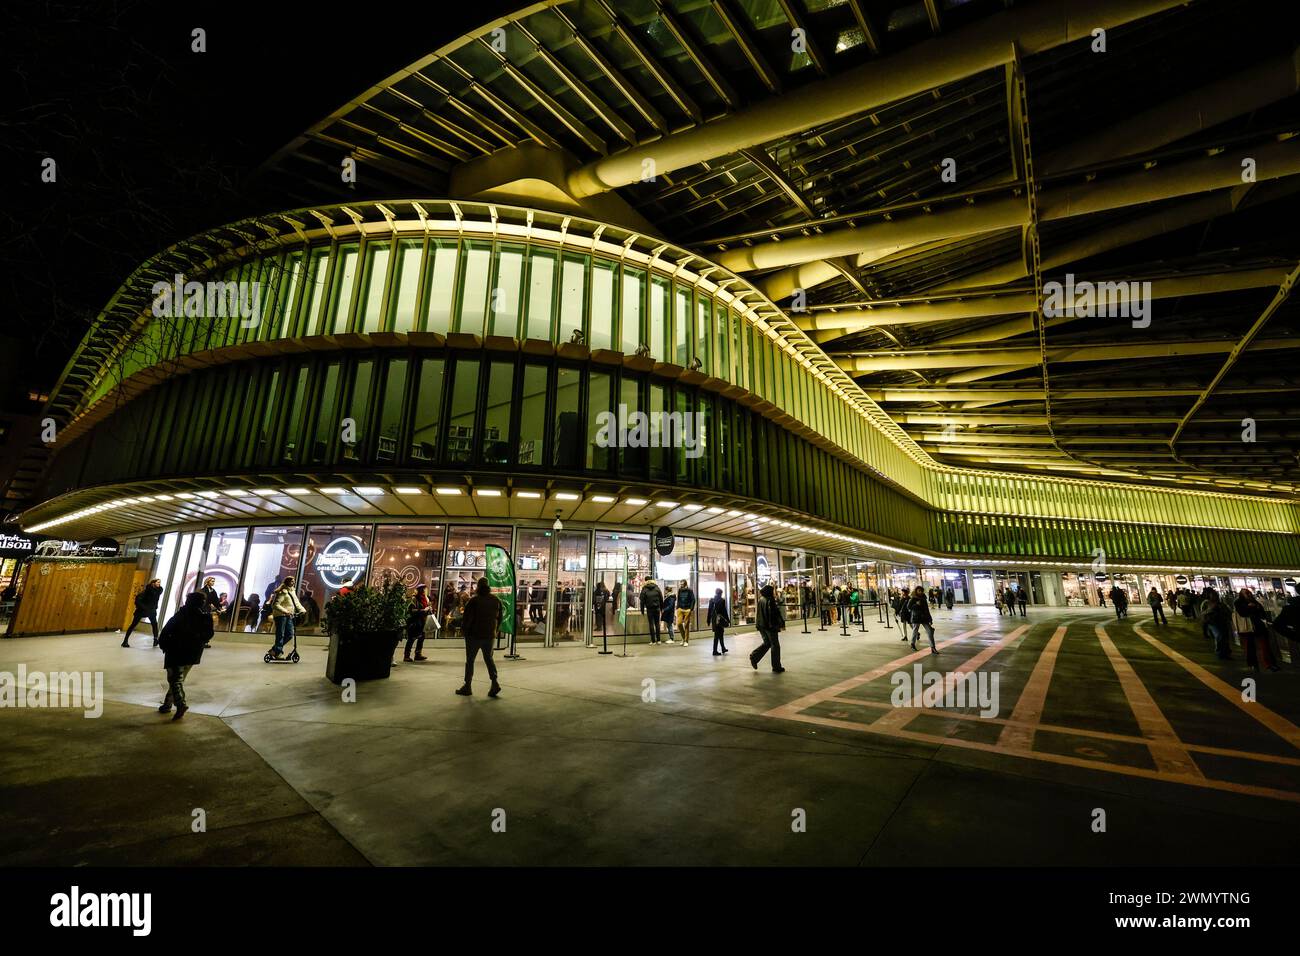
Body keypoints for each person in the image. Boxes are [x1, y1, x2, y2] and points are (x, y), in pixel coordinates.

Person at [156, 592, 213, 721]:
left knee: (175, 679)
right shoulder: (205, 617)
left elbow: (167, 629)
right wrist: (198, 641)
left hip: (176, 650)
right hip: (193, 653)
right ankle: (167, 704)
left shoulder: (182, 614)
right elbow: (209, 634)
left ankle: (180, 704)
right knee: (178, 679)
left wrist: (164, 644)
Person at [456, 577, 502, 697]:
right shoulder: (496, 600)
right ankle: (495, 682)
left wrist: (465, 630)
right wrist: (495, 630)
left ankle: (468, 685)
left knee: (470, 660)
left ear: (478, 586)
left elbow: (468, 618)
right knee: (489, 659)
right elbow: (499, 618)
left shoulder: (474, 600)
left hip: (474, 635)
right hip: (489, 635)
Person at [1233, 588, 1279, 672]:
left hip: (1258, 626)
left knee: (1264, 645)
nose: (1249, 594)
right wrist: (1251, 607)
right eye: (1246, 593)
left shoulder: (1255, 601)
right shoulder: (1238, 602)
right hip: (1248, 628)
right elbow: (1243, 613)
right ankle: (1254, 664)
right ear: (1241, 595)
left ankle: (1268, 664)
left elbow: (1261, 612)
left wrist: (1253, 607)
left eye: (1249, 592)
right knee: (1250, 647)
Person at [267, 576, 306, 660]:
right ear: (287, 582)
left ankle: (274, 650)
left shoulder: (292, 591)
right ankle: (277, 652)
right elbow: (275, 605)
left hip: (289, 615)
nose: (293, 583)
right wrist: (285, 611)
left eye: (294, 581)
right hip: (280, 615)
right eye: (292, 581)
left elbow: (296, 602)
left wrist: (302, 610)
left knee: (289, 634)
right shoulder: (282, 592)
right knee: (280, 634)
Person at [750, 583, 785, 672]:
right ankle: (776, 666)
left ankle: (754, 656)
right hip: (770, 626)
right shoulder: (770, 600)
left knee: (767, 643)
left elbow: (759, 613)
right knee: (775, 646)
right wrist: (778, 624)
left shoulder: (761, 599)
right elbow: (773, 614)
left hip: (762, 625)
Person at [122, 578, 163, 647]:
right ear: (153, 583)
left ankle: (155, 640)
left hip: (151, 611)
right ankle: (125, 641)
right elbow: (137, 601)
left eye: (160, 583)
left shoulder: (157, 592)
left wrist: (153, 608)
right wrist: (145, 608)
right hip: (142, 611)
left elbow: (158, 593)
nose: (159, 584)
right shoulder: (145, 592)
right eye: (158, 582)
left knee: (154, 625)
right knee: (133, 625)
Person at [403, 584, 432, 662]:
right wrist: (423, 610)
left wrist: (429, 609)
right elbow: (412, 610)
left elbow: (426, 608)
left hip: (423, 621)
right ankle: (406, 656)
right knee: (411, 638)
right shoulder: (414, 599)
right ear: (421, 590)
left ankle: (418, 654)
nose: (426, 590)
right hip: (415, 621)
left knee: (421, 638)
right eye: (425, 589)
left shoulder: (426, 599)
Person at [907, 585, 937, 655]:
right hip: (916, 617)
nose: (920, 592)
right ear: (916, 591)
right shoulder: (913, 598)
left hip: (924, 617)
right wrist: (916, 604)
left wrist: (930, 619)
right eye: (919, 591)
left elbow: (926, 609)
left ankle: (933, 647)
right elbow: (909, 607)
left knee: (930, 631)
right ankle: (912, 644)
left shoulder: (924, 598)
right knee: (915, 630)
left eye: (921, 591)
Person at [1202, 589, 1233, 659]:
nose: (1215, 597)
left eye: (1216, 595)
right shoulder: (1206, 603)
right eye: (1213, 596)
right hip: (1213, 623)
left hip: (1222, 622)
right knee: (1219, 636)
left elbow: (1228, 612)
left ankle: (1226, 652)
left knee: (1225, 637)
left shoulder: (1221, 604)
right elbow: (1203, 613)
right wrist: (1211, 609)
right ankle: (1219, 652)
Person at [707, 587, 730, 656]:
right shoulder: (722, 600)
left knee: (719, 634)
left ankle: (723, 648)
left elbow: (709, 611)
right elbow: (724, 611)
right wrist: (727, 619)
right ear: (720, 593)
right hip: (720, 619)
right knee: (718, 635)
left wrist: (708, 620)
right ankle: (714, 651)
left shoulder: (712, 600)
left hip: (714, 619)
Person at [640, 578, 664, 644]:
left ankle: (653, 641)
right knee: (657, 624)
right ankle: (658, 640)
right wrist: (662, 609)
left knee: (651, 624)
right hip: (657, 609)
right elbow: (661, 599)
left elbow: (642, 601)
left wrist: (642, 610)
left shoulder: (644, 589)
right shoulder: (657, 588)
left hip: (649, 609)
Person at [676, 579, 696, 644]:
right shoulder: (679, 590)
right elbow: (678, 599)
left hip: (687, 609)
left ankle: (686, 641)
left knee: (686, 625)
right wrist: (677, 607)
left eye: (682, 584)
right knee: (679, 624)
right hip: (680, 609)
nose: (681, 585)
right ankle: (684, 638)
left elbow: (693, 599)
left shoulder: (690, 590)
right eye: (680, 584)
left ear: (685, 584)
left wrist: (690, 609)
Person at [591, 581, 609, 647]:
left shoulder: (597, 591)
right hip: (603, 605)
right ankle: (602, 626)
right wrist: (605, 600)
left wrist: (593, 602)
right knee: (602, 615)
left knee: (598, 615)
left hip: (597, 605)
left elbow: (593, 597)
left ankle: (599, 626)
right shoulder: (605, 590)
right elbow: (607, 596)